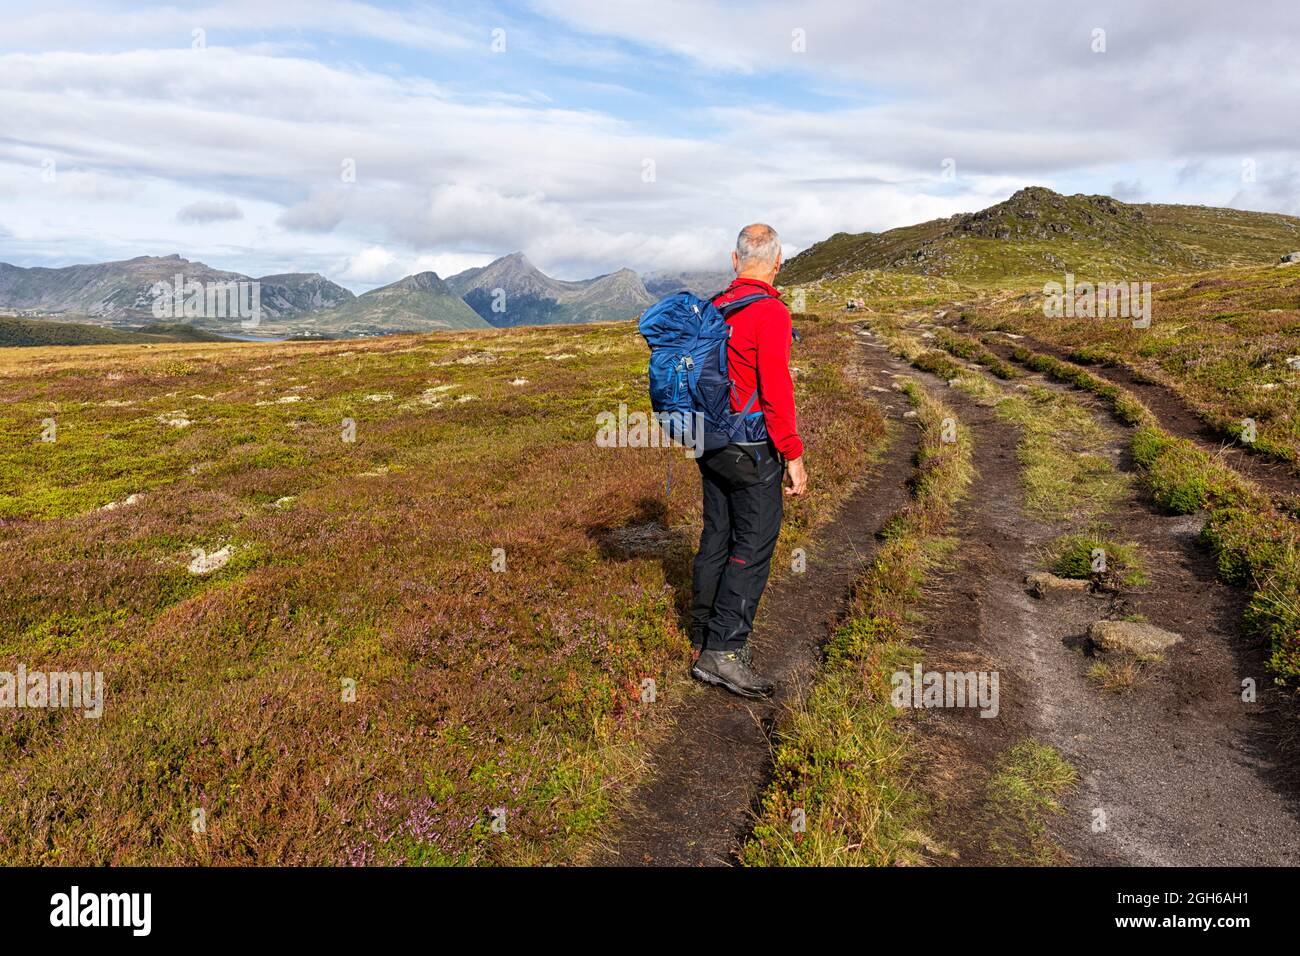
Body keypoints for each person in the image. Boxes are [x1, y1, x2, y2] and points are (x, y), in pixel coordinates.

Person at [690, 223, 807, 699]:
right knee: (754, 541)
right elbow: (777, 388)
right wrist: (793, 454)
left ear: (735, 260)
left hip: (707, 440)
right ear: (778, 263)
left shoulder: (716, 308)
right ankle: (724, 651)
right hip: (750, 446)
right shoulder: (771, 312)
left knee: (718, 532)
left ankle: (702, 632)